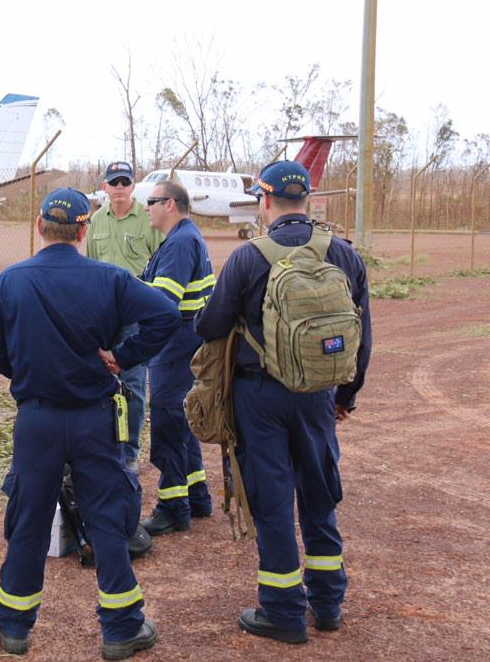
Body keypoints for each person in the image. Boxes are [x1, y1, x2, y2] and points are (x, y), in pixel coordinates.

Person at [0, 188, 181, 659]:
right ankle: (122, 628)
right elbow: (166, 315)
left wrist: (30, 369)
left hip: (38, 420)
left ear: (41, 228)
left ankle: (12, 627)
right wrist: (123, 356)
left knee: (28, 521)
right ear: (85, 230)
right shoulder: (109, 278)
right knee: (107, 519)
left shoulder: (12, 280)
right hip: (95, 418)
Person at [195, 160, 371, 644]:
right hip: (318, 396)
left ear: (265, 201)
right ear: (308, 201)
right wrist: (345, 397)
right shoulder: (344, 255)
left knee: (273, 503)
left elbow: (209, 327)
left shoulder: (249, 258)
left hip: (261, 397)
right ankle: (329, 602)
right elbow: (363, 338)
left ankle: (283, 612)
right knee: (319, 496)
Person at [138, 180, 215, 536]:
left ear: (169, 204)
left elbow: (162, 304)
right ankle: (197, 495)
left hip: (175, 347)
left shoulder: (180, 243)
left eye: (151, 201)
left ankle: (172, 507)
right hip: (187, 345)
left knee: (168, 426)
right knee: (184, 424)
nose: (146, 208)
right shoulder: (185, 238)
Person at [86, 161, 164, 469]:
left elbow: (159, 263)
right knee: (101, 378)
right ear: (104, 187)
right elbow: (91, 266)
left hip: (135, 315)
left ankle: (129, 452)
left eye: (124, 182)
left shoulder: (146, 220)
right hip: (105, 316)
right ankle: (105, 445)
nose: (119, 188)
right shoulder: (95, 222)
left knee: (132, 382)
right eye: (113, 183)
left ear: (133, 186)